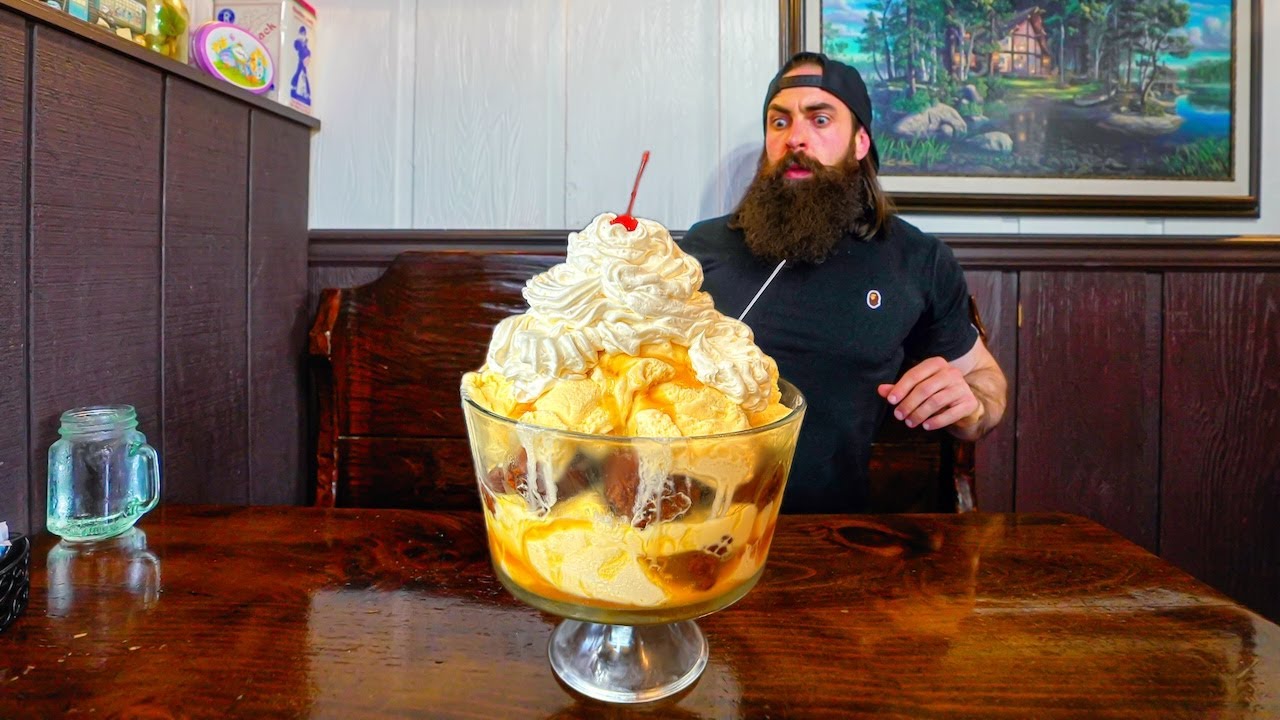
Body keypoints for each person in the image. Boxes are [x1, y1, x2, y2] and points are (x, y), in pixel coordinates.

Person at [680, 51, 1007, 513]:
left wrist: (971, 407)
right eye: (779, 122)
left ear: (859, 142)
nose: (795, 137)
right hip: (690, 520)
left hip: (826, 530)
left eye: (820, 120)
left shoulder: (916, 260)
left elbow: (986, 382)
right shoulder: (702, 246)